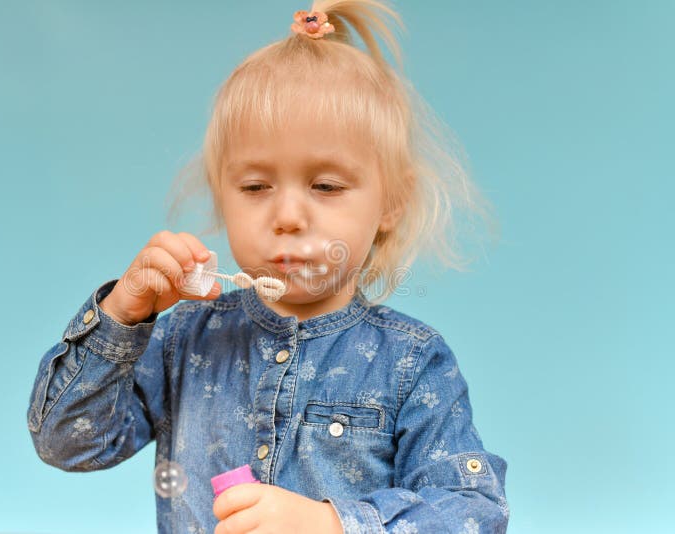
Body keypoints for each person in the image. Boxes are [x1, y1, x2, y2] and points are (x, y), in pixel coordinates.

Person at [27, 1, 509, 532]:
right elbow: (68, 442)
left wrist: (334, 524)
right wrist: (122, 316)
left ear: (391, 203)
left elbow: (473, 510)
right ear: (222, 198)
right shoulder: (184, 340)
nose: (286, 216)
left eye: (325, 186)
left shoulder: (412, 363)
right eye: (256, 187)